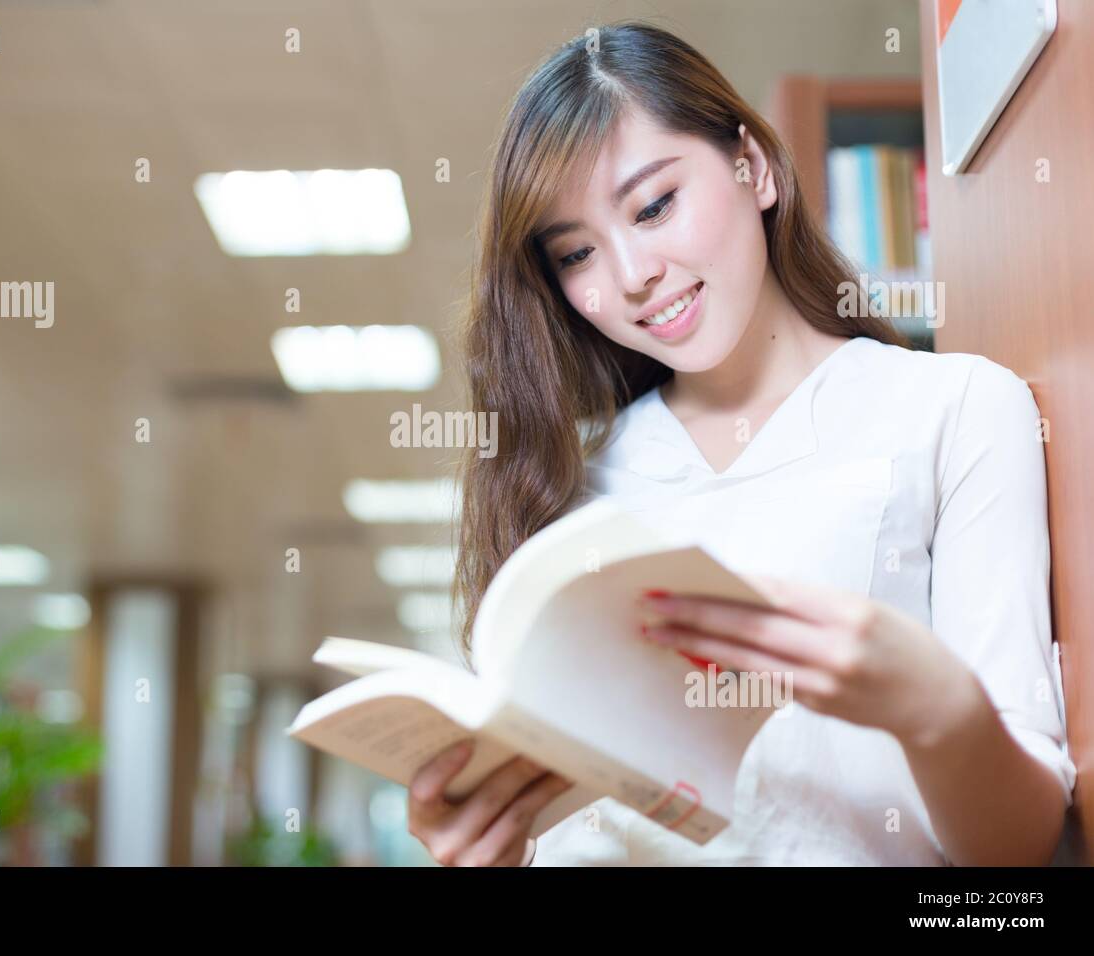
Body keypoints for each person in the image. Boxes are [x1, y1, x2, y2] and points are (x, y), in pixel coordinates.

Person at [406, 20, 1075, 867]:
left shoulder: (957, 408)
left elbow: (1019, 852)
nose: (630, 275)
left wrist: (930, 706)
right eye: (576, 253)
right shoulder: (570, 489)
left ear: (752, 165)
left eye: (654, 206)